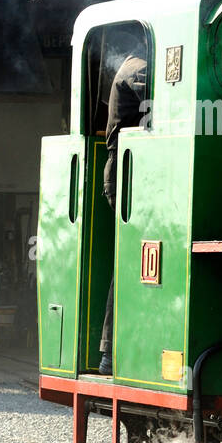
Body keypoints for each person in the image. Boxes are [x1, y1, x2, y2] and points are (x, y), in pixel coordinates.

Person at [98, 50, 147, 375]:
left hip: (138, 173)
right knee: (131, 260)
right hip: (127, 175)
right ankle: (111, 353)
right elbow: (169, 95)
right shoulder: (136, 68)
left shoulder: (133, 65)